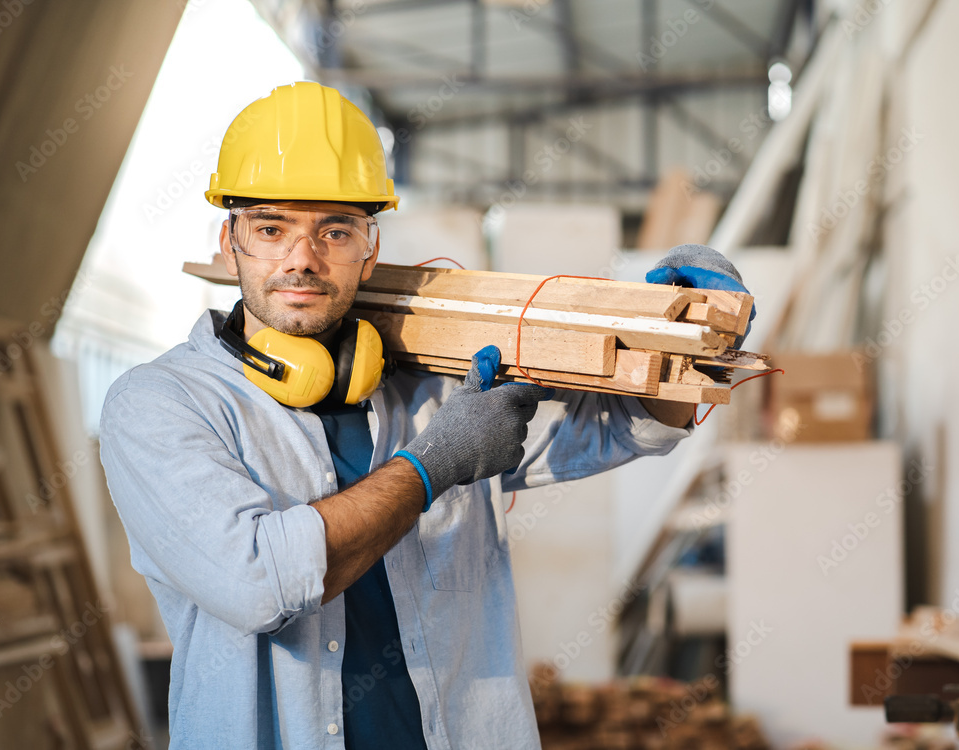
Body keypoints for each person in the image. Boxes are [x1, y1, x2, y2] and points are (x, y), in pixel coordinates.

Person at [100, 81, 754, 750]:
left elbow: (620, 426)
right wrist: (432, 465)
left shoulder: (427, 388)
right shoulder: (159, 406)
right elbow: (260, 582)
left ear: (370, 247)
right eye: (271, 228)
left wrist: (695, 341)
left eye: (335, 229)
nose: (302, 257)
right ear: (230, 240)